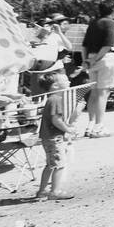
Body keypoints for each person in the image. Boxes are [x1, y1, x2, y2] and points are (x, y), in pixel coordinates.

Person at [34, 69, 77, 200]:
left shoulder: (51, 99)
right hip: (54, 138)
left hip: (48, 137)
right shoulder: (56, 99)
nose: (68, 81)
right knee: (59, 164)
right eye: (65, 80)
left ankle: (42, 191)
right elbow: (56, 120)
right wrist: (68, 129)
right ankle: (55, 191)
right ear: (55, 86)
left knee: (51, 164)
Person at [81, 0, 114, 138]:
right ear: (113, 9)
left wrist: (86, 60)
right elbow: (108, 45)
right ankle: (99, 127)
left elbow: (84, 45)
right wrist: (96, 58)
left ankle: (90, 125)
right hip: (106, 59)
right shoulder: (111, 23)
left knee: (94, 93)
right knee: (103, 93)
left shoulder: (93, 23)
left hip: (91, 58)